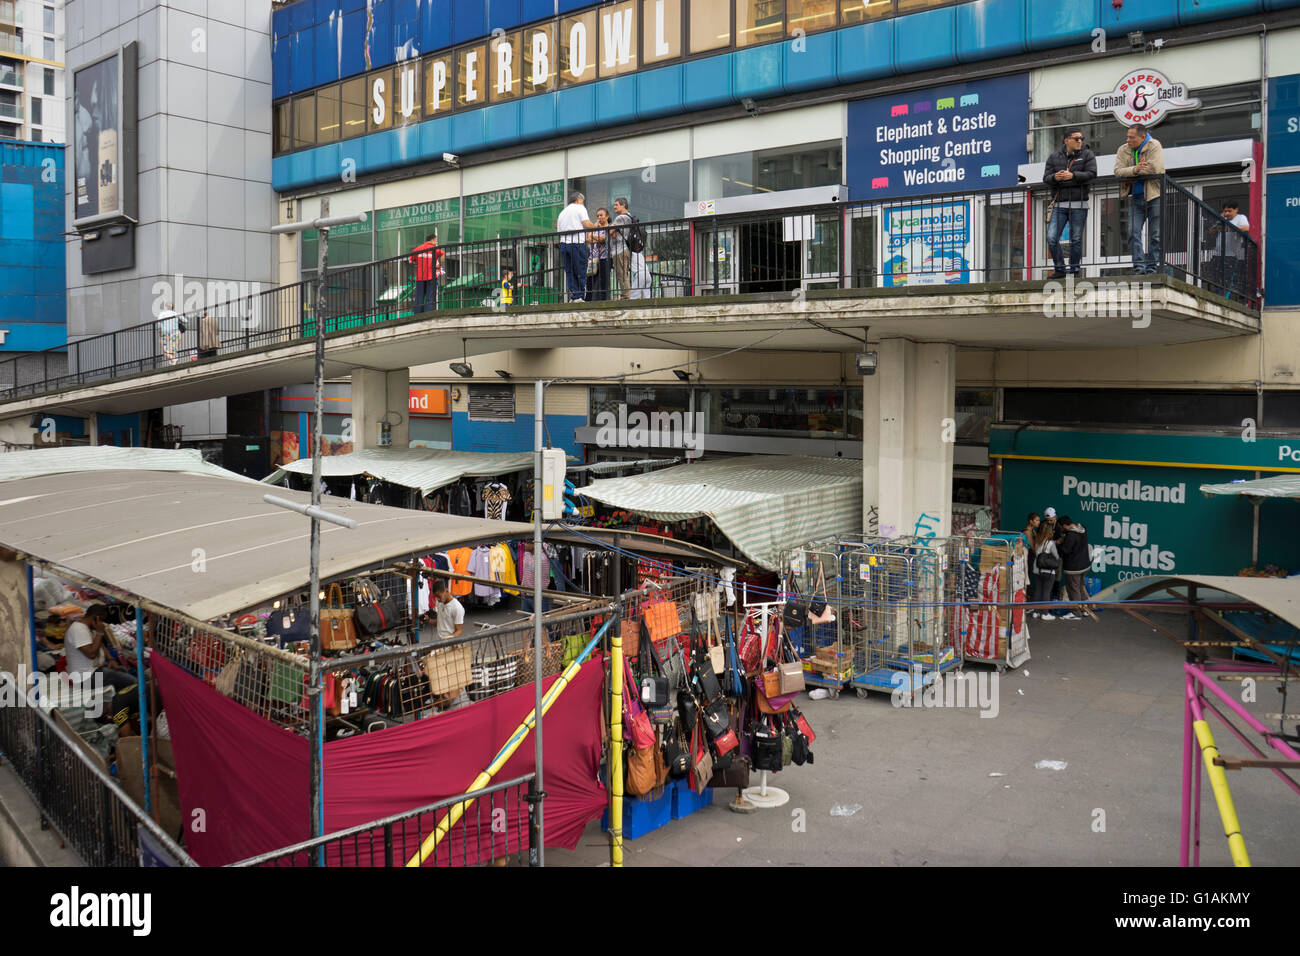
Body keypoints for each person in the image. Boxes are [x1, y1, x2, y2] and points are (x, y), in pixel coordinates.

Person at [64, 604, 143, 713]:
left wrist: (110, 659)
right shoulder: (79, 630)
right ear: (95, 618)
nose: (103, 624)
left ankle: (120, 705)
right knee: (132, 683)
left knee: (123, 671)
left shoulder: (87, 628)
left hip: (93, 671)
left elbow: (99, 644)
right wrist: (100, 632)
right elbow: (91, 654)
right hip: (85, 677)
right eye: (102, 620)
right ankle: (125, 710)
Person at [1043, 129, 1097, 278]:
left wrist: (1073, 176)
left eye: (1082, 138)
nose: (1080, 141)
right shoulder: (1054, 157)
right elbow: (1046, 178)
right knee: (1051, 238)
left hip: (1079, 204)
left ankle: (1074, 270)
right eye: (1076, 138)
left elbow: (1092, 174)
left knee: (1076, 239)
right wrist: (1055, 177)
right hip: (1059, 204)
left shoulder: (1087, 154)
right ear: (1067, 140)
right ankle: (1060, 269)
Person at [1115, 124, 1165, 275]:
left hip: (1155, 196)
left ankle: (1152, 267)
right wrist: (1136, 169)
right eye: (1127, 136)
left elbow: (1154, 168)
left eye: (1131, 137)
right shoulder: (1123, 149)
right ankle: (1139, 267)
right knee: (1132, 232)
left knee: (1155, 235)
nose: (1128, 140)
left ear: (1143, 137)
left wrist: (1129, 173)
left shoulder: (1154, 145)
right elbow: (1118, 171)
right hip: (1136, 198)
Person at [557, 192, 597, 302]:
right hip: (577, 242)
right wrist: (595, 227)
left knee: (570, 271)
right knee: (580, 269)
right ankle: (580, 295)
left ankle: (574, 295)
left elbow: (559, 230)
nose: (583, 203)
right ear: (579, 199)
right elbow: (586, 223)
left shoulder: (562, 212)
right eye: (582, 201)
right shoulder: (580, 208)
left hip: (564, 243)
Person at [1207, 200, 1250, 298]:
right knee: (1216, 277)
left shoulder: (1240, 217)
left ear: (1236, 210)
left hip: (1232, 254)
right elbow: (1211, 231)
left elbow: (1246, 228)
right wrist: (1220, 219)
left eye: (1229, 211)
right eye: (1225, 211)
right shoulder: (1222, 220)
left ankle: (1226, 297)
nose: (1227, 213)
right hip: (1218, 253)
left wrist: (1230, 227)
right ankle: (1217, 295)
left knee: (1228, 277)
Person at [1056, 515, 1091, 617]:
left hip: (1074, 567)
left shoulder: (1071, 535)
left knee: (1073, 589)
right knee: (1080, 587)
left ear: (1065, 526)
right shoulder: (1082, 529)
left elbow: (1065, 550)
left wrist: (1059, 543)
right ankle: (1085, 609)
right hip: (1084, 564)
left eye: (1060, 527)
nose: (1060, 530)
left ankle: (1075, 612)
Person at [1030, 519, 1060, 620]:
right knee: (1047, 591)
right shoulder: (1050, 543)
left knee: (1038, 590)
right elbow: (1056, 556)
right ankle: (1045, 613)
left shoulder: (1037, 541)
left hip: (1037, 569)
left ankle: (1036, 611)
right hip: (1048, 570)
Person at [408, 233, 444, 314]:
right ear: (432, 240)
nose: (436, 242)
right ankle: (429, 313)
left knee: (419, 296)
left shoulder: (418, 249)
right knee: (430, 295)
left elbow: (410, 260)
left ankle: (417, 313)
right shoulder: (434, 248)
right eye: (436, 240)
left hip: (420, 276)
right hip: (431, 275)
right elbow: (442, 254)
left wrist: (418, 263)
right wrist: (439, 265)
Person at [588, 208, 612, 302]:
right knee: (590, 279)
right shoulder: (596, 228)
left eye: (601, 215)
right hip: (593, 258)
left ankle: (603, 299)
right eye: (597, 216)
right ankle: (589, 299)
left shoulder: (609, 227)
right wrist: (594, 228)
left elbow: (603, 239)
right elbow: (588, 239)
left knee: (603, 280)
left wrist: (594, 237)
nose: (599, 217)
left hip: (604, 257)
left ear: (607, 216)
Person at [1021, 512, 1040, 576]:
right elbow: (1032, 546)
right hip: (1027, 557)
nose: (1038, 522)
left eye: (1039, 520)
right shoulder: (1027, 532)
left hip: (1030, 556)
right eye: (1036, 520)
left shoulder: (1033, 531)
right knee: (1026, 575)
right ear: (1031, 521)